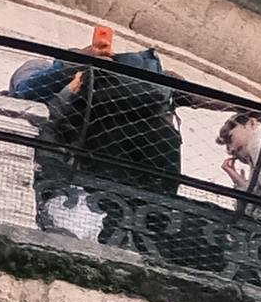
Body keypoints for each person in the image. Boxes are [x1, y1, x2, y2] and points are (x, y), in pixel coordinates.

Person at [24, 25, 185, 235]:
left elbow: (25, 91)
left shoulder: (100, 107)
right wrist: (75, 62)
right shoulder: (154, 113)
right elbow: (25, 91)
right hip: (139, 209)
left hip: (85, 189)